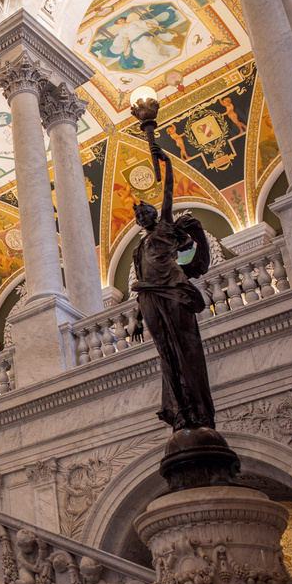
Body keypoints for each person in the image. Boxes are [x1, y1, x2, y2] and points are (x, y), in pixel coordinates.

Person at [131, 144, 215, 431]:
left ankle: (198, 408)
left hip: (174, 289)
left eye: (146, 211)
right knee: (165, 352)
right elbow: (142, 282)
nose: (142, 216)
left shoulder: (165, 227)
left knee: (184, 346)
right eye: (139, 215)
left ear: (155, 214)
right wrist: (137, 318)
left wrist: (165, 161)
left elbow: (167, 191)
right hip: (149, 298)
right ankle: (179, 410)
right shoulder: (137, 249)